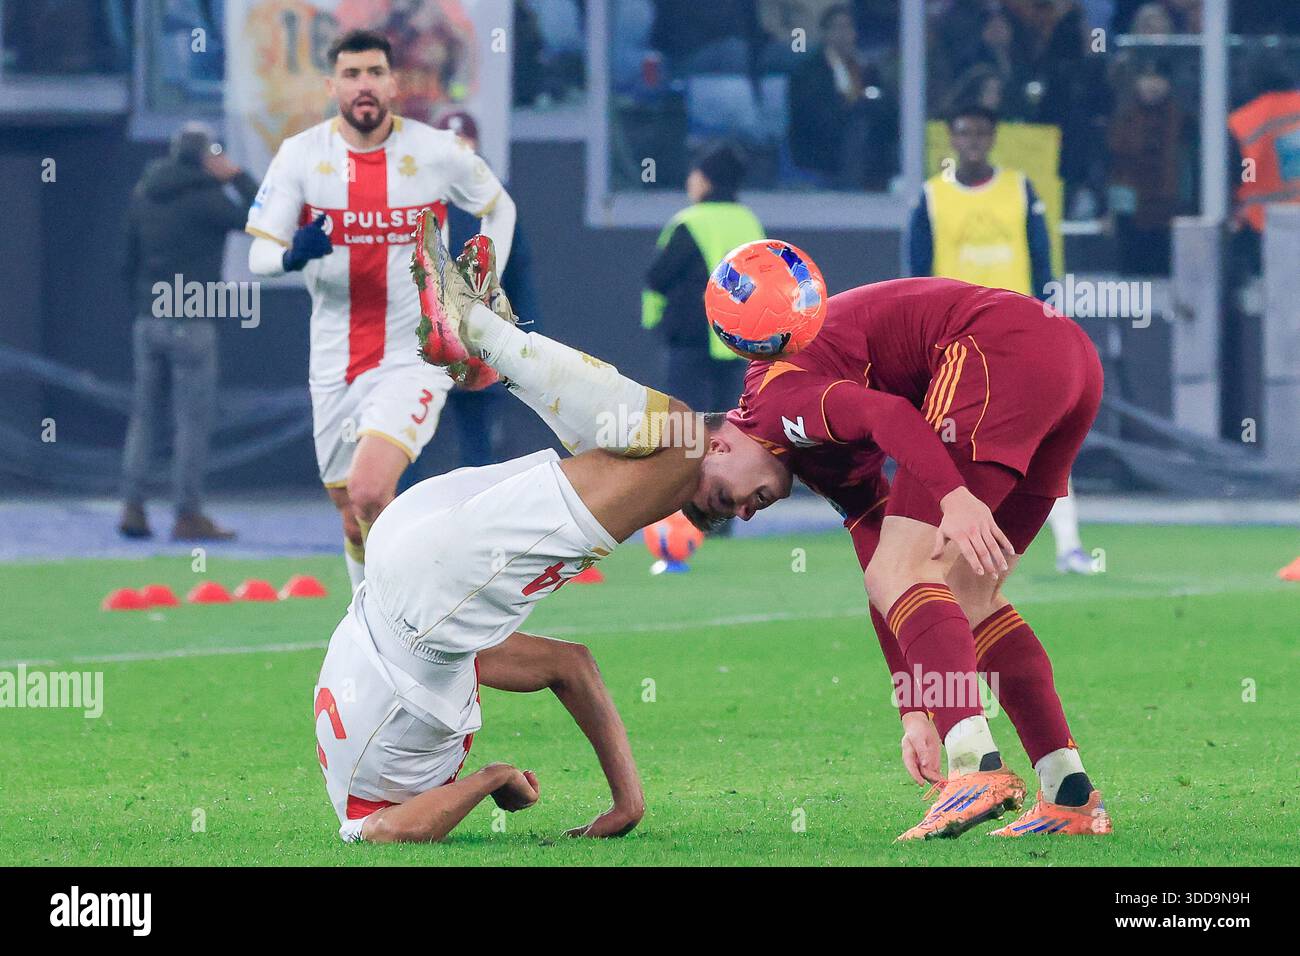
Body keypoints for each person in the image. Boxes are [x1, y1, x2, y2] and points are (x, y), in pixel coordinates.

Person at [416, 219, 1112, 841]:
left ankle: (976, 766)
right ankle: (1068, 790)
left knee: (916, 571)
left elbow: (895, 424)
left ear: (719, 445)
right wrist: (914, 709)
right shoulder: (810, 453)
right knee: (970, 599)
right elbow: (882, 585)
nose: (743, 511)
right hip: (1063, 361)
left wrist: (954, 496)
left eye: (723, 499)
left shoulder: (774, 400)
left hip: (998, 352)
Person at [245, 29, 518, 592]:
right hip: (333, 362)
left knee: (372, 490)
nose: (363, 86)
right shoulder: (301, 156)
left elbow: (499, 206)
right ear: (332, 86)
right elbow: (258, 254)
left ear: (394, 83)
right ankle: (370, 625)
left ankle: (407, 620)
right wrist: (292, 254)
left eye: (374, 73)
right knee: (352, 512)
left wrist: (482, 284)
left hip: (412, 353)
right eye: (351, 75)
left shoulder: (435, 151)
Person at [910, 104, 1095, 574]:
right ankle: (934, 548)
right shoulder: (930, 198)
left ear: (992, 138)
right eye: (964, 133)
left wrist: (1052, 324)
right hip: (956, 346)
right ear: (950, 139)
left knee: (1044, 442)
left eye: (980, 133)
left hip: (1019, 339)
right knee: (948, 446)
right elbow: (913, 278)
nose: (972, 142)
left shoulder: (1019, 189)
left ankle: (1069, 545)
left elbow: (1042, 262)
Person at [119, 121, 257, 541]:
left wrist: (144, 307)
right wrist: (236, 176)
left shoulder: (144, 192)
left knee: (144, 417)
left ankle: (133, 507)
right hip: (191, 318)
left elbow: (127, 263)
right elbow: (261, 218)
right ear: (206, 156)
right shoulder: (207, 198)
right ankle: (187, 514)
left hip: (148, 318)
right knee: (191, 422)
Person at [433, 110, 540, 469]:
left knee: (478, 431)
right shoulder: (413, 195)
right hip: (426, 330)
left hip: (478, 331)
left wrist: (526, 333)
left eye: (463, 143)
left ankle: (473, 512)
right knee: (405, 436)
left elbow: (518, 267)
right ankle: (399, 513)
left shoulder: (494, 197)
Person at [641, 143, 763, 415]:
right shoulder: (748, 221)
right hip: (737, 338)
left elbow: (658, 276)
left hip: (690, 335)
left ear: (706, 180)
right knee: (729, 421)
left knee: (685, 422)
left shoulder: (691, 221)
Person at [788, 4, 895, 189]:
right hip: (822, 149)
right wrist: (850, 110)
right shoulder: (808, 73)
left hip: (865, 150)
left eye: (848, 27)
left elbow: (885, 108)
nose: (844, 34)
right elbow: (810, 117)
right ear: (825, 33)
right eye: (838, 27)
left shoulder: (867, 70)